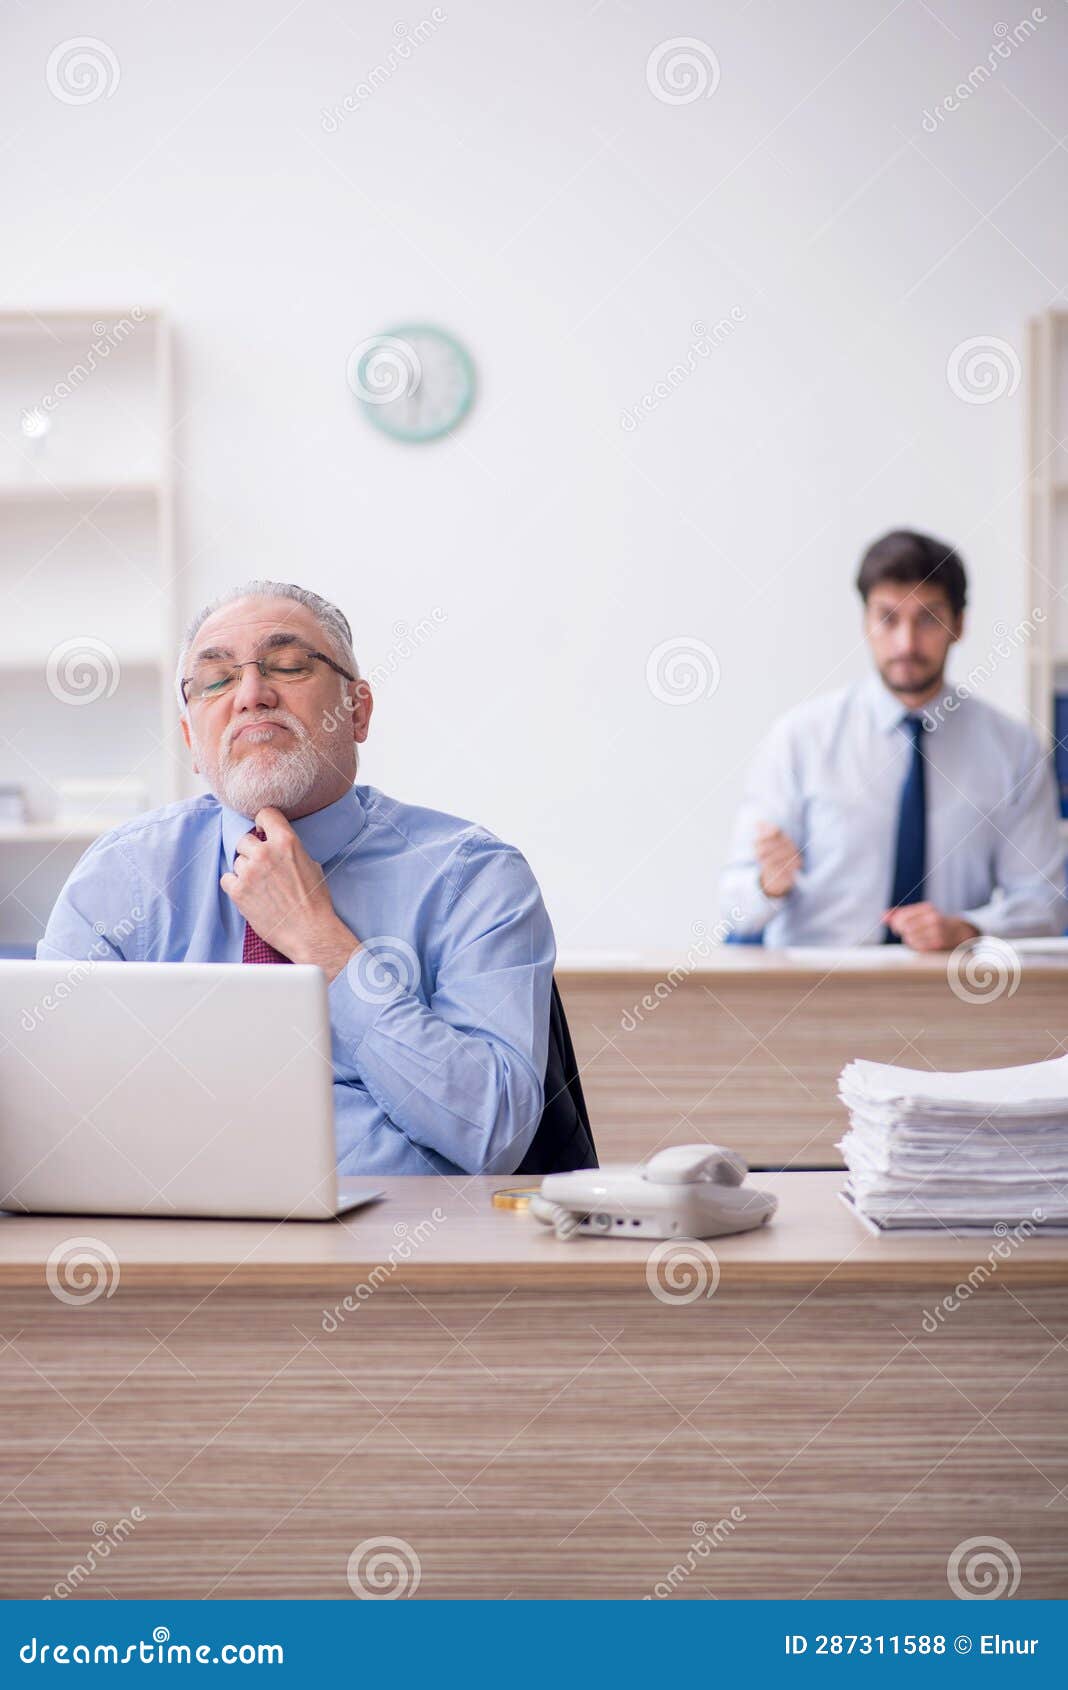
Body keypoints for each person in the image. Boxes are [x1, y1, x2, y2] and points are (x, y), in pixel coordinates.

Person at [38, 581, 555, 1175]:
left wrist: (321, 944)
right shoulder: (122, 876)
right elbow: (52, 1113)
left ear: (357, 710)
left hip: (401, 1247)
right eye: (216, 680)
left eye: (287, 666)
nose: (252, 695)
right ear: (192, 742)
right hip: (169, 1246)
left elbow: (492, 1135)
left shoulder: (475, 877)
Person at [719, 530, 1066, 949]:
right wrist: (767, 884)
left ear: (958, 624)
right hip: (813, 992)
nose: (906, 642)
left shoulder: (1014, 750)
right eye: (888, 618)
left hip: (949, 992)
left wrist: (967, 929)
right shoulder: (800, 739)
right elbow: (733, 901)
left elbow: (1045, 903)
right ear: (866, 622)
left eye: (928, 619)